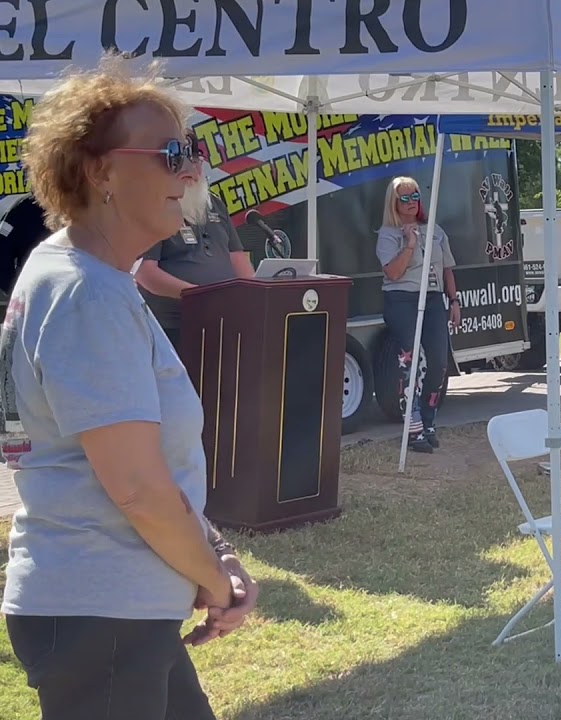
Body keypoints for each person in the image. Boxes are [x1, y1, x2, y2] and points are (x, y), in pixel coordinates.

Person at [1, 54, 259, 719]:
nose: (192, 171)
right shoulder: (85, 292)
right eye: (172, 153)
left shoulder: (89, 278)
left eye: (193, 152)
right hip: (98, 616)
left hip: (113, 612)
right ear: (100, 170)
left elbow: (150, 473)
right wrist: (216, 581)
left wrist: (217, 556)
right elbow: (137, 489)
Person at [135, 145, 255, 349]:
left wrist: (254, 296)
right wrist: (200, 296)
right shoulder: (156, 206)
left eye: (197, 162)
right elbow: (145, 273)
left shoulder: (215, 204)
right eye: (186, 163)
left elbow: (238, 260)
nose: (193, 171)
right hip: (174, 328)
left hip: (223, 323)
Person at [376, 176, 461, 453]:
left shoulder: (435, 230)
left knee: (438, 360)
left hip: (434, 298)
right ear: (394, 202)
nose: (411, 202)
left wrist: (454, 300)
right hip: (402, 299)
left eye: (415, 196)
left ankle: (428, 421)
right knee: (409, 360)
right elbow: (393, 272)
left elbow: (447, 267)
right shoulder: (388, 234)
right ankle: (412, 428)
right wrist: (409, 243)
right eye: (405, 198)